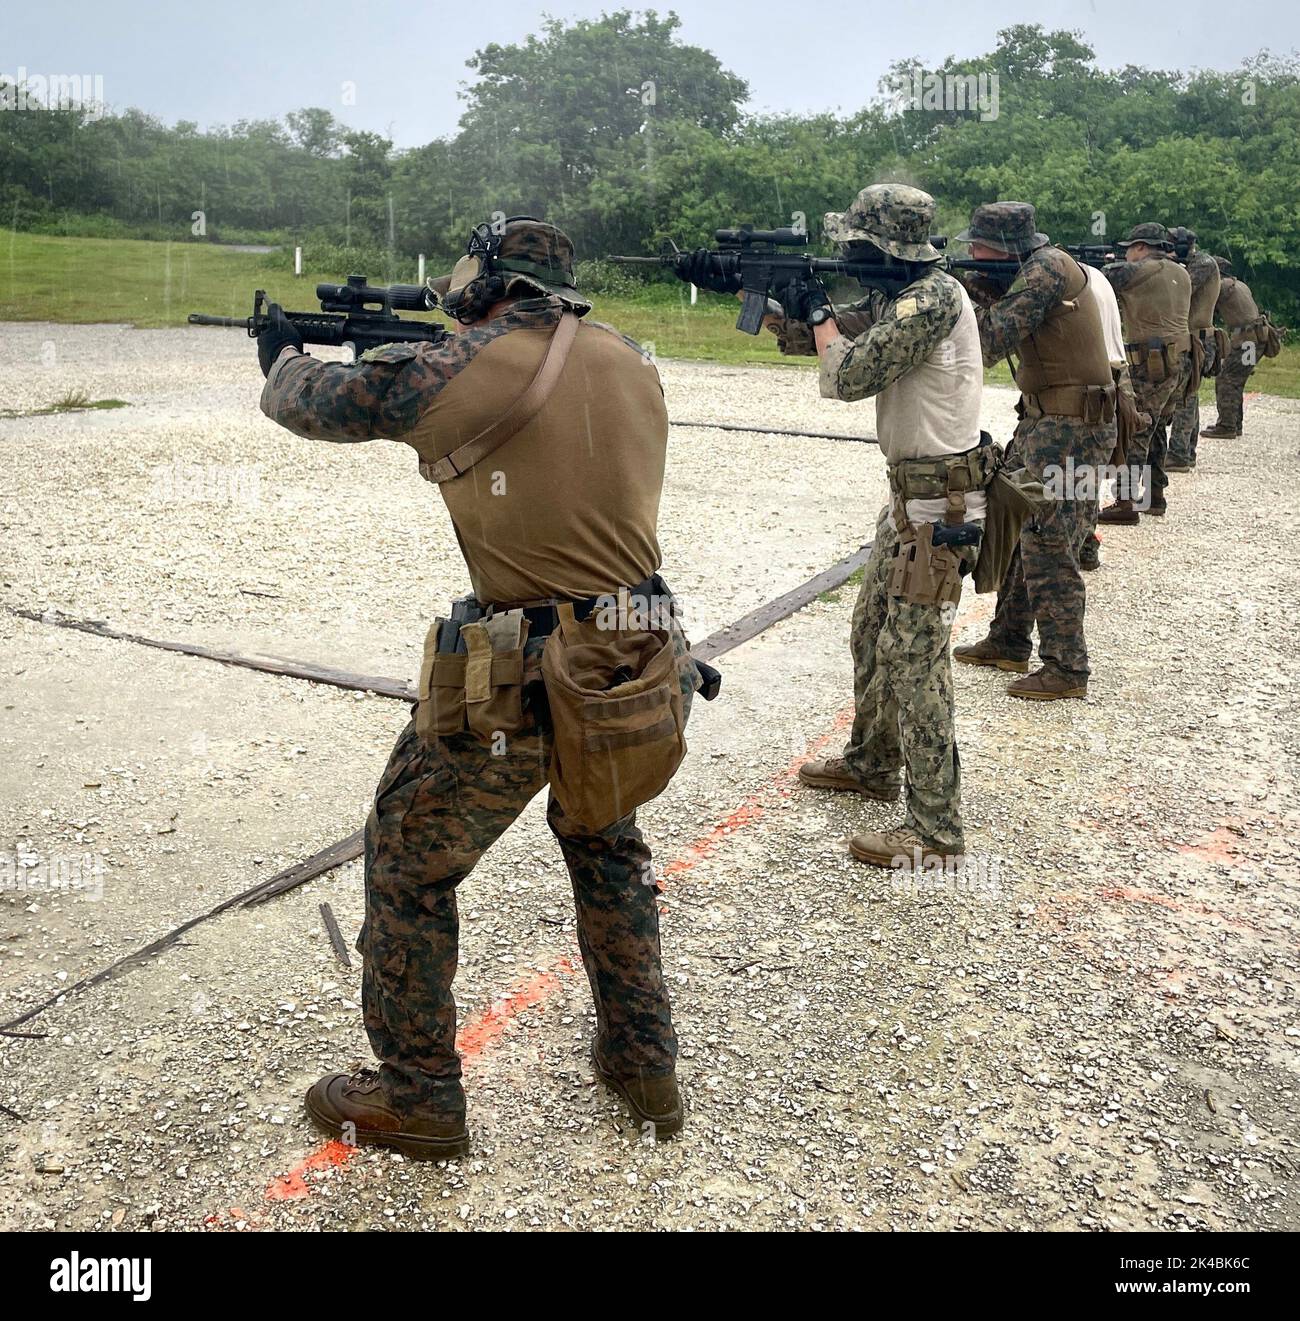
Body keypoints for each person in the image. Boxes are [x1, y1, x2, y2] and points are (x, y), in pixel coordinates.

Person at [257, 217, 706, 1156]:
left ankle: (419, 1096)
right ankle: (644, 1061)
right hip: (636, 651)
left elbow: (319, 402)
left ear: (488, 278)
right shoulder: (631, 358)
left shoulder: (459, 363)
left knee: (407, 860)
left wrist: (280, 355)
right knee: (605, 843)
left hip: (530, 669)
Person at [689, 184, 989, 869]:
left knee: (914, 660)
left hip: (939, 507)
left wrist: (819, 306)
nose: (845, 252)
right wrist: (769, 299)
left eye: (855, 242)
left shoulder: (932, 300)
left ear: (881, 246)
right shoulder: (897, 297)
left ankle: (937, 834)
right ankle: (872, 763)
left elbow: (849, 372)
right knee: (868, 630)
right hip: (909, 498)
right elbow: (821, 338)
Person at [950, 202, 1116, 700]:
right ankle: (1008, 639)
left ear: (1001, 248)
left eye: (977, 247)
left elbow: (989, 338)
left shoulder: (1046, 269)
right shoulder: (1040, 267)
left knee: (1047, 538)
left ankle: (1067, 667)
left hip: (1071, 427)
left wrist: (953, 295)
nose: (972, 254)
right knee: (1021, 521)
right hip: (1053, 421)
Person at [1098, 223, 1192, 522]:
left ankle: (1125, 502)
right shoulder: (1181, 271)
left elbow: (1097, 279)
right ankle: (1154, 495)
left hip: (1151, 362)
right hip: (1179, 360)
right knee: (1156, 428)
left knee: (1136, 427)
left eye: (1129, 248)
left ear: (1140, 247)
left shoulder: (1137, 271)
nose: (1127, 254)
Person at [1162, 227, 1220, 470]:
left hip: (1197, 339)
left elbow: (1179, 289)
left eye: (1171, 244)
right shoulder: (1195, 263)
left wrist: (1164, 266)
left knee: (1185, 395)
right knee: (1190, 394)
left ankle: (1179, 454)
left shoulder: (1203, 264)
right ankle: (1186, 451)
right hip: (1194, 338)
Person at [1202, 256, 1264, 439]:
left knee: (1227, 379)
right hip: (1255, 339)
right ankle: (1235, 423)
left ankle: (1227, 425)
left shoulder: (1222, 286)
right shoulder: (1239, 285)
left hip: (1246, 341)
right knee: (1237, 379)